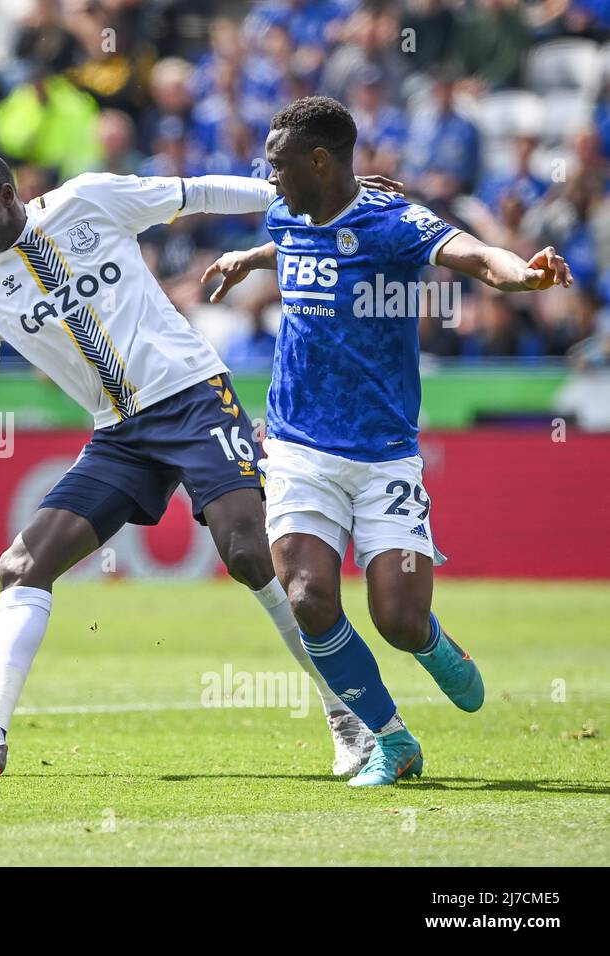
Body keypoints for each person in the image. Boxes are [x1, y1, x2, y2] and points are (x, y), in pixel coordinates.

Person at [0, 149, 401, 777]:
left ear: (8, 196)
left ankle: (348, 715)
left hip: (193, 395)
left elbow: (196, 190)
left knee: (251, 555)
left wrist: (325, 200)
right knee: (22, 565)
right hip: (118, 434)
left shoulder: (87, 200)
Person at [202, 96, 571, 785]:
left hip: (382, 455)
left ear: (320, 161)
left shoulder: (392, 222)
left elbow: (477, 256)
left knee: (396, 618)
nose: (270, 179)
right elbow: (285, 239)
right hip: (298, 445)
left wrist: (525, 273)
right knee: (308, 596)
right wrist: (246, 260)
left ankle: (429, 641)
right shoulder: (288, 210)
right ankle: (391, 740)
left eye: (280, 166)